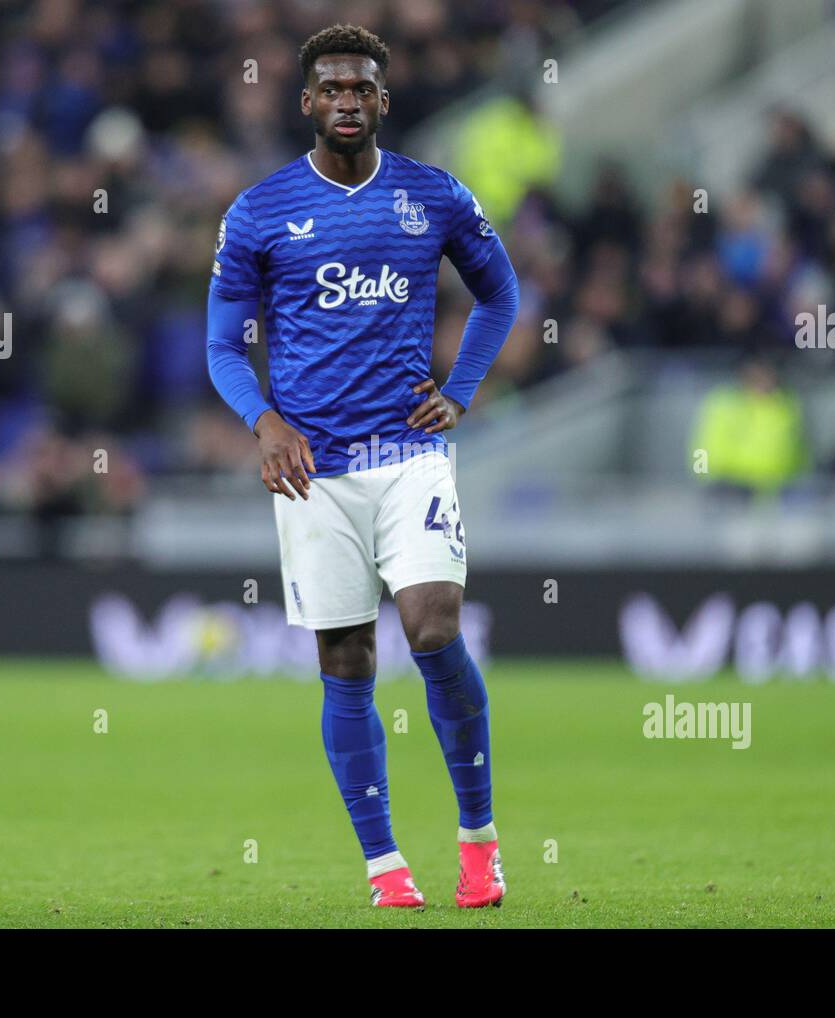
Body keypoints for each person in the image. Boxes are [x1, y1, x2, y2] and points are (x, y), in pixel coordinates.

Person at [206, 24, 519, 909]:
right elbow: (222, 345)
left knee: (430, 629)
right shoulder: (260, 211)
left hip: (409, 454)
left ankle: (478, 844)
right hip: (314, 470)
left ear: (384, 99)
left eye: (363, 88)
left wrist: (459, 389)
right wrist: (263, 421)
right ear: (307, 101)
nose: (348, 101)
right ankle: (386, 867)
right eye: (332, 89)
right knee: (346, 659)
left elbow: (501, 292)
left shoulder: (435, 195)